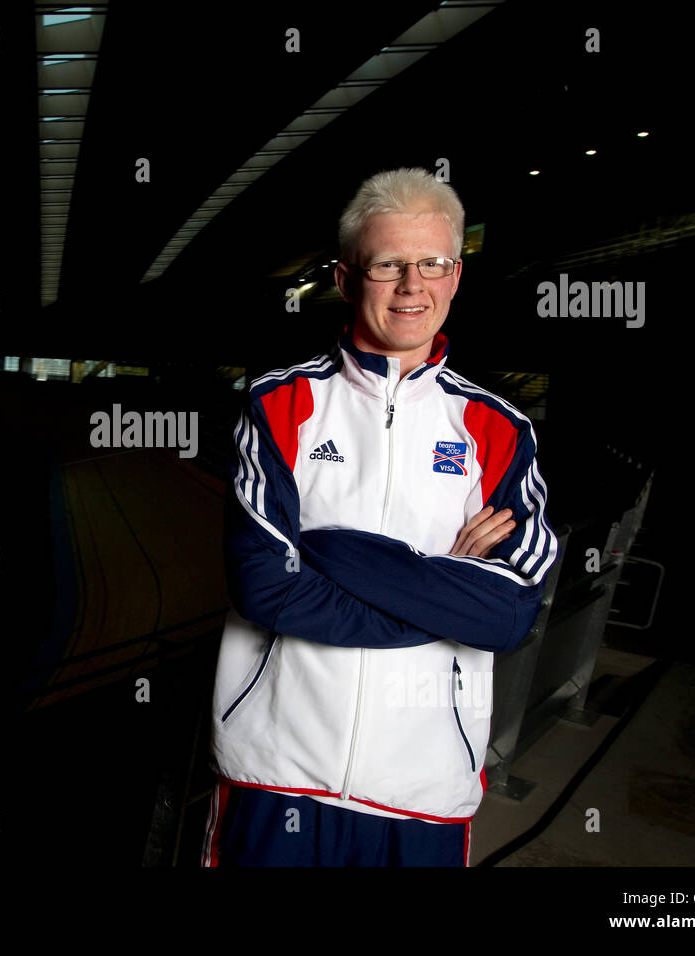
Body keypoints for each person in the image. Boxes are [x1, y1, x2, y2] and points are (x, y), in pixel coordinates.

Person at [202, 168, 558, 866]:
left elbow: (508, 615)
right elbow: (267, 589)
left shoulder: (499, 429)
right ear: (345, 276)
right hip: (276, 770)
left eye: (433, 263)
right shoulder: (279, 404)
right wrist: (447, 586)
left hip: (422, 785)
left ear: (456, 276)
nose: (412, 286)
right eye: (388, 264)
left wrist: (330, 551)